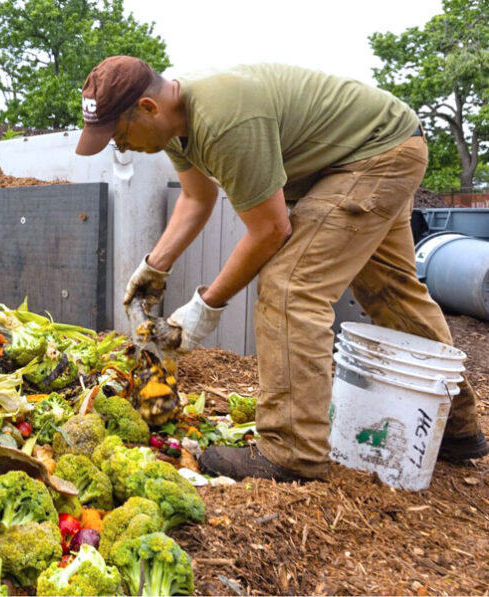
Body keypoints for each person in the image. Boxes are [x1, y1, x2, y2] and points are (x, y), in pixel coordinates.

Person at [75, 56, 488, 481]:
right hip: (379, 146)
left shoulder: (222, 120)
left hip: (372, 157)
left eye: (118, 134)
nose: (119, 147)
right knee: (391, 292)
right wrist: (153, 268)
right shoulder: (175, 126)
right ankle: (457, 428)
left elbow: (272, 230)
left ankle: (293, 451)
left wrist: (202, 310)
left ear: (147, 107)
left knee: (291, 286)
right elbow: (196, 199)